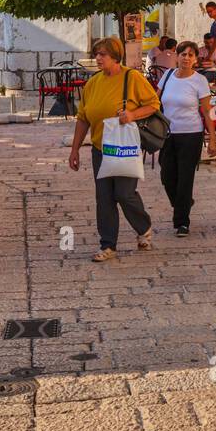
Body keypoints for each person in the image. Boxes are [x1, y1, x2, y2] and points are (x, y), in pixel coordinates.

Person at [68, 37, 160, 263]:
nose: (98, 58)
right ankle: (108, 244)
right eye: (97, 53)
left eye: (103, 54)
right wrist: (75, 149)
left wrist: (131, 115)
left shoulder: (132, 77)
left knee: (124, 194)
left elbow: (153, 104)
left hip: (125, 147)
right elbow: (83, 119)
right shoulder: (92, 84)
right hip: (100, 149)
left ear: (115, 56)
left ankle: (144, 227)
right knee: (104, 198)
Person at [157, 41, 216, 236]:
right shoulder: (167, 76)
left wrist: (213, 139)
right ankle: (183, 203)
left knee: (185, 178)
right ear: (177, 55)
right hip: (168, 134)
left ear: (195, 59)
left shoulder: (199, 80)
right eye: (183, 54)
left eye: (191, 55)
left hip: (191, 134)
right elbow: (154, 100)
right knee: (167, 176)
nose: (186, 58)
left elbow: (208, 111)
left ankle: (182, 222)